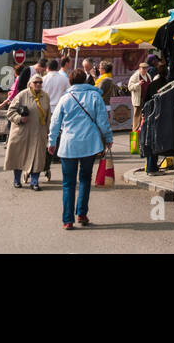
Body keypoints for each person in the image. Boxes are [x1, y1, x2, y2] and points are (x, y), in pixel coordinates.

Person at [48, 69, 114, 230]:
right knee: (85, 179)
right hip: (89, 144)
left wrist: (51, 141)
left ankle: (67, 220)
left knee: (68, 183)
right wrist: (109, 138)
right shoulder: (95, 96)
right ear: (85, 80)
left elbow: (55, 122)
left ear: (70, 82)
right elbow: (102, 121)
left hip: (68, 145)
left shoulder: (65, 98)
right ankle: (82, 213)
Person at [5, 73, 50, 191]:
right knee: (19, 156)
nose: (38, 84)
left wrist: (49, 131)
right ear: (30, 84)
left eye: (40, 82)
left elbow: (48, 115)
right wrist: (19, 119)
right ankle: (17, 180)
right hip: (23, 131)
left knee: (37, 158)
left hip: (39, 132)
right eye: (36, 82)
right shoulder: (22, 95)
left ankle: (34, 182)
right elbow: (10, 112)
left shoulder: (45, 96)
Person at [128, 60, 151, 136]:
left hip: (146, 100)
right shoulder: (135, 76)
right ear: (139, 68)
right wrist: (138, 84)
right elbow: (130, 87)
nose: (144, 70)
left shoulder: (148, 75)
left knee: (144, 120)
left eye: (146, 68)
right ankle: (134, 143)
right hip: (138, 101)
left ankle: (142, 138)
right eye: (143, 68)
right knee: (136, 121)